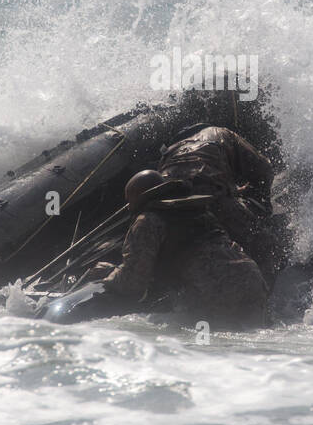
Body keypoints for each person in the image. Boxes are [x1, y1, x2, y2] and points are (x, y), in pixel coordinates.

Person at [100, 169, 268, 328]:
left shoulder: (147, 221)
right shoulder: (197, 210)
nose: (129, 207)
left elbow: (133, 283)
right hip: (252, 281)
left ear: (138, 198)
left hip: (213, 289)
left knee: (209, 347)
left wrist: (107, 277)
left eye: (129, 201)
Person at [156, 124, 278, 280]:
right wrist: (262, 203)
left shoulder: (167, 155)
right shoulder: (221, 133)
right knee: (264, 246)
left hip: (174, 212)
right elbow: (263, 169)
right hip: (215, 201)